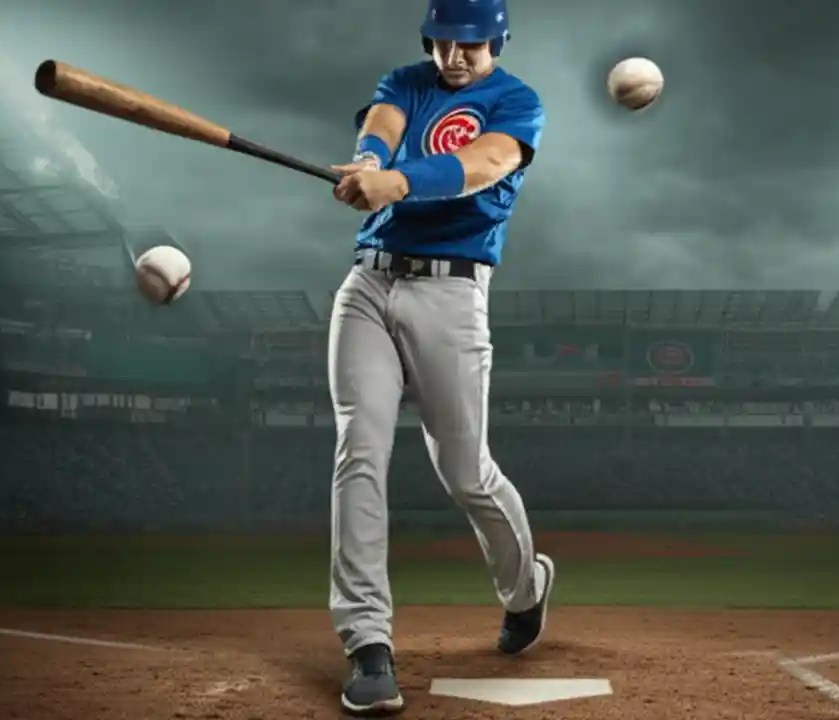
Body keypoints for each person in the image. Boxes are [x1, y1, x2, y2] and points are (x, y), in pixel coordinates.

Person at [326, 0, 554, 714]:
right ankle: (368, 644)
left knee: (464, 470)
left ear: (498, 42)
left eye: (473, 46)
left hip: (452, 296)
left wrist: (400, 183)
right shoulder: (406, 80)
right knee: (359, 450)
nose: (456, 58)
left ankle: (526, 586)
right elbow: (383, 127)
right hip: (369, 282)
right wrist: (369, 163)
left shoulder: (516, 102)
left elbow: (485, 164)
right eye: (445, 43)